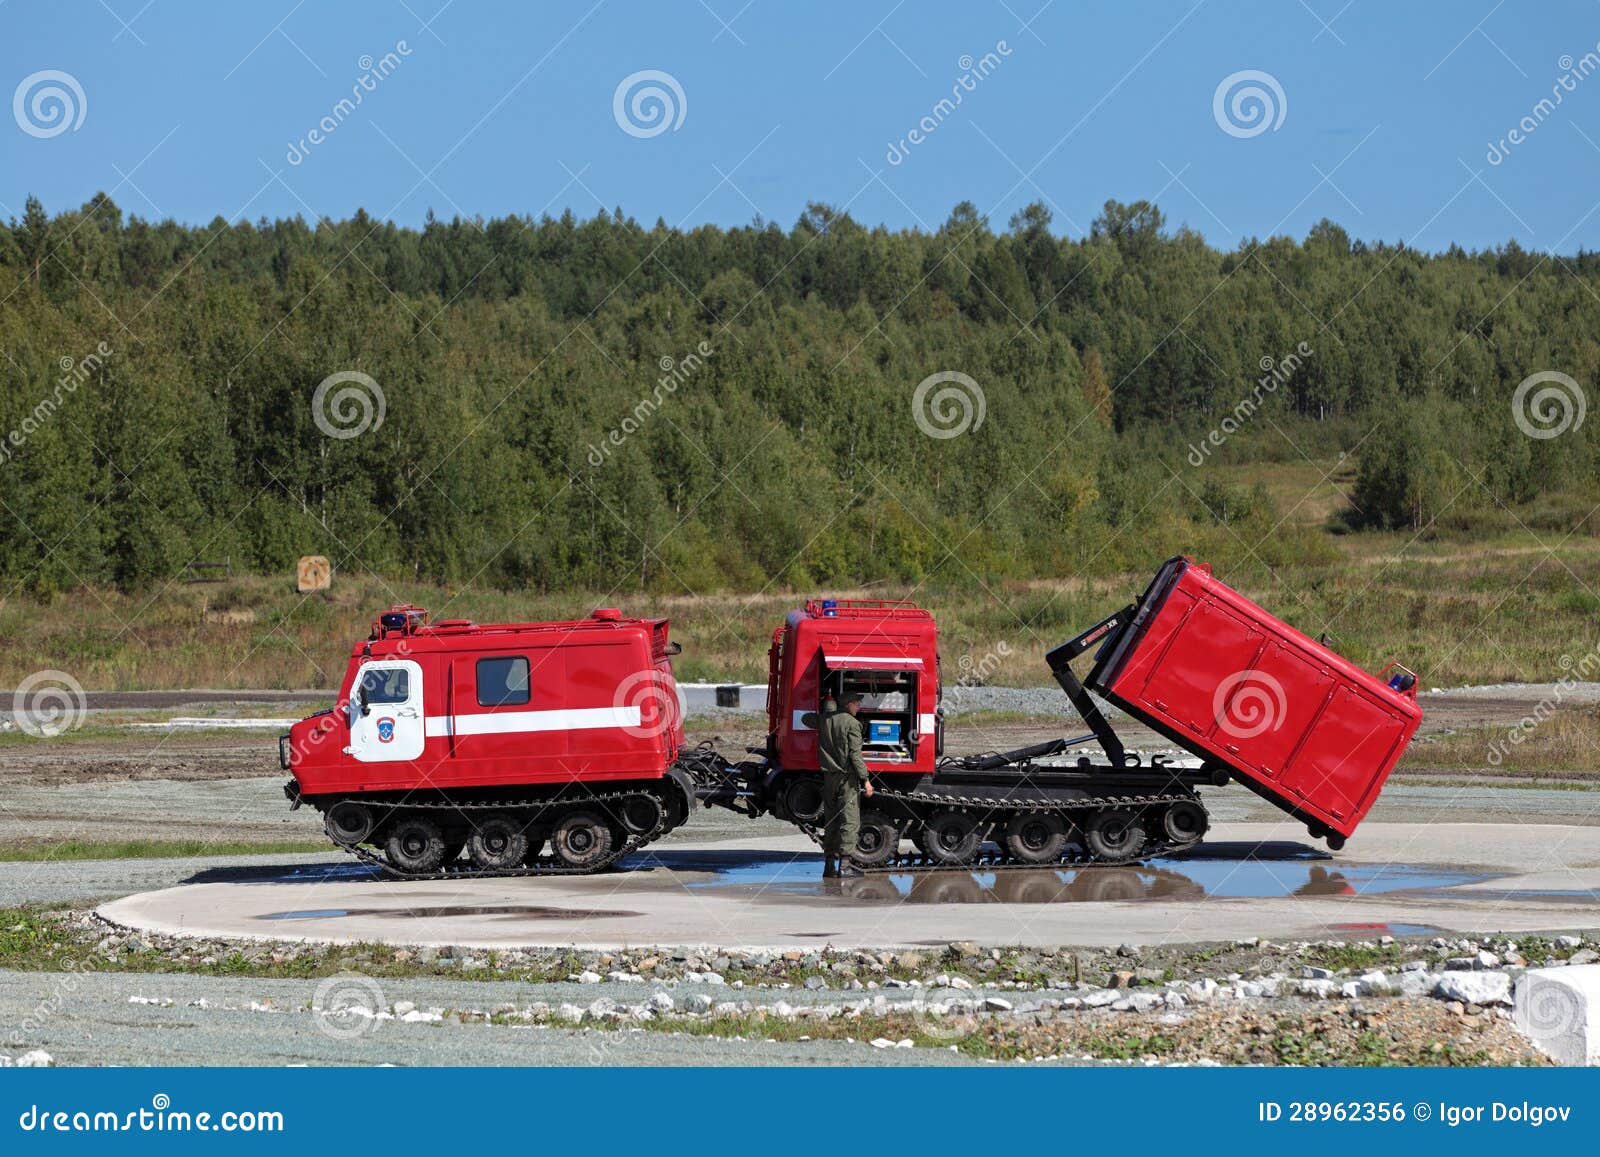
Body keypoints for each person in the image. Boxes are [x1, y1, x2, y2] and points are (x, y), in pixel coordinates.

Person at [819, 691, 873, 878]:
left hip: (828, 778)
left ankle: (829, 866)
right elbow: (855, 756)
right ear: (848, 704)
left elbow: (806, 719)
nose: (859, 706)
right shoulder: (852, 724)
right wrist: (865, 780)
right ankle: (845, 866)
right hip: (846, 780)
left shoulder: (825, 720)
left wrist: (826, 708)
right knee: (850, 821)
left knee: (831, 821)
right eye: (856, 703)